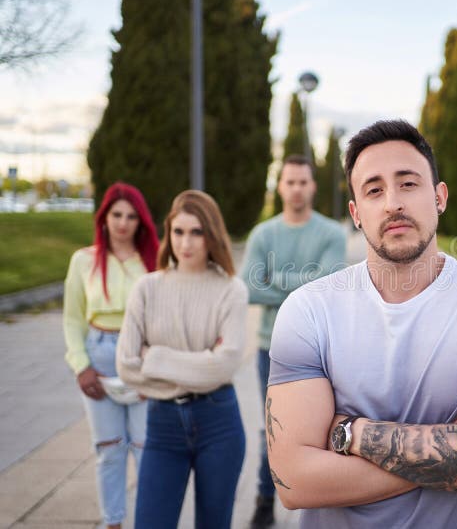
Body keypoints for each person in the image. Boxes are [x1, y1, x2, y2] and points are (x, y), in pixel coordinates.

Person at [265, 119, 457, 528]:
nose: (393, 203)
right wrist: (454, 448)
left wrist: (351, 434)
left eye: (408, 183)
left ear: (439, 197)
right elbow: (295, 482)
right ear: (356, 214)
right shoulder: (308, 310)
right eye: (374, 190)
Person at [116, 190, 248, 529]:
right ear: (168, 232)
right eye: (178, 231)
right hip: (163, 424)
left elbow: (225, 364)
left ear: (211, 234)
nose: (185, 243)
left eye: (196, 232)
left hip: (218, 422)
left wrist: (155, 357)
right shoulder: (146, 288)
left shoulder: (231, 290)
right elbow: (126, 365)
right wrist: (201, 364)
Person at [239, 154, 346, 528]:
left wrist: (277, 278)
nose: (297, 189)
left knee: (321, 428)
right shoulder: (263, 234)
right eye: (290, 182)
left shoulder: (331, 233)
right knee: (272, 428)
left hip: (322, 347)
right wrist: (305, 282)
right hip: (271, 347)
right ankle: (264, 500)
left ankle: (318, 505)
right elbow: (249, 288)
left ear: (312, 186)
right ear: (280, 186)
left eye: (303, 181)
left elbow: (330, 284)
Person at [62, 182, 159, 529]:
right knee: (109, 450)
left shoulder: (153, 261)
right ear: (104, 217)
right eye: (117, 214)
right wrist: (81, 366)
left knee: (147, 449)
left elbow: (162, 318)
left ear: (140, 221)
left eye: (131, 216)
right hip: (99, 354)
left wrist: (155, 369)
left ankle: (149, 522)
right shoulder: (83, 261)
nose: (123, 223)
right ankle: (112, 523)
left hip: (140, 356)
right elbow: (72, 319)